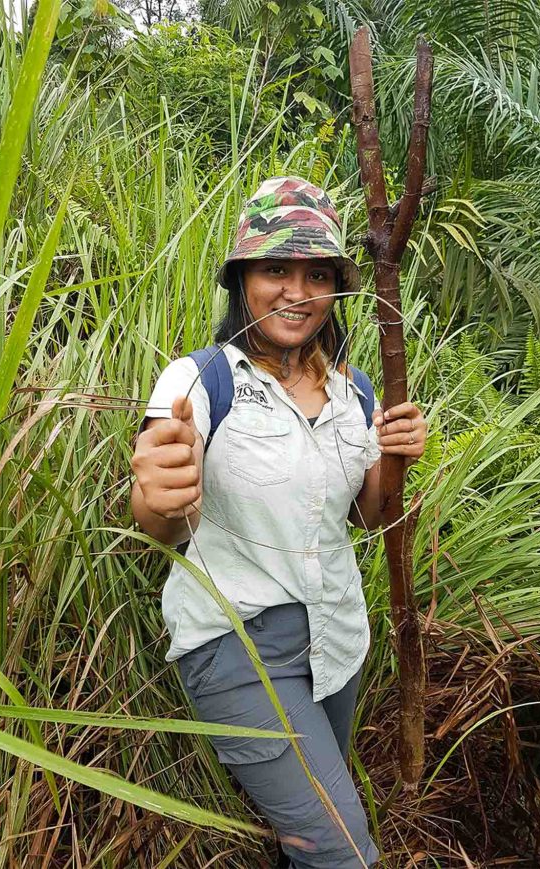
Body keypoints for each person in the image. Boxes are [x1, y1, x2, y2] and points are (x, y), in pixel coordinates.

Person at [130, 177, 427, 868]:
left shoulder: (353, 388)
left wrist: (395, 458)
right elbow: (159, 514)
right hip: (238, 649)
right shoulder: (198, 381)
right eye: (275, 269)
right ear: (243, 280)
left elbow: (365, 513)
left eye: (316, 272)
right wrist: (159, 493)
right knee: (342, 850)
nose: (297, 290)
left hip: (337, 643)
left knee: (309, 844)